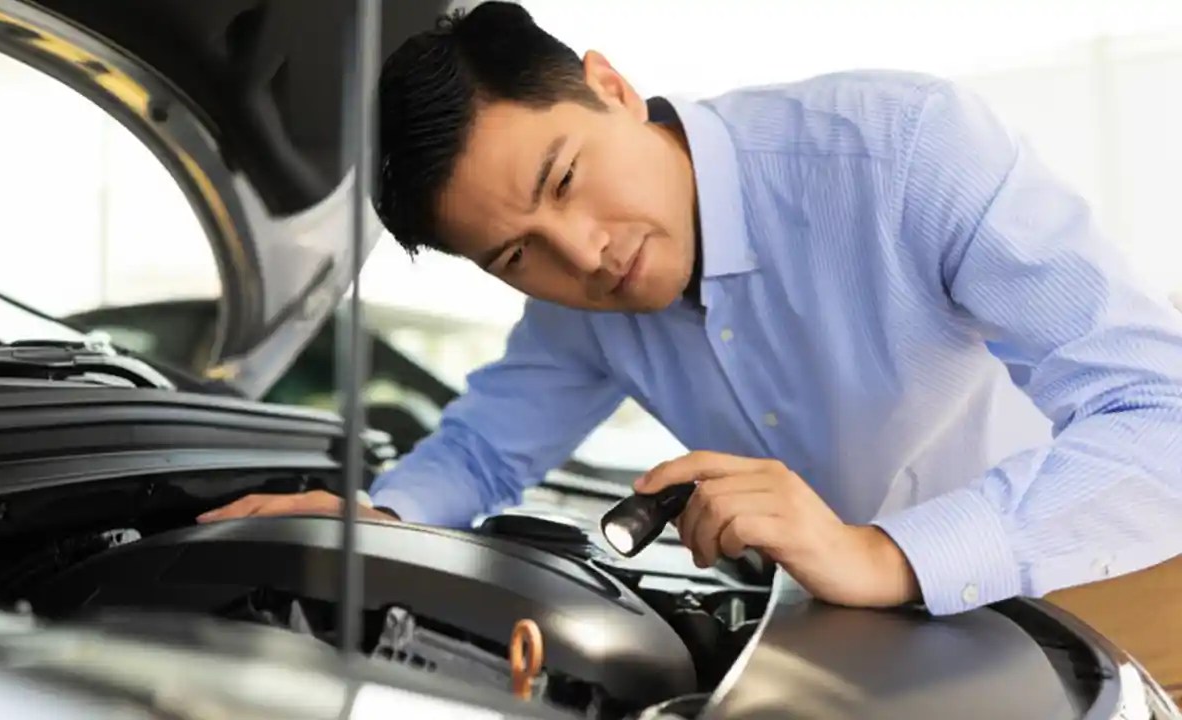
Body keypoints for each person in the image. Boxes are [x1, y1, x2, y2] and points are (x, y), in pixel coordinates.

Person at [199, 1, 1182, 622]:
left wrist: (882, 555)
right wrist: (373, 519)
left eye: (565, 176)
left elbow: (1161, 419)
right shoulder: (575, 306)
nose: (583, 253)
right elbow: (481, 451)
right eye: (515, 253)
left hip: (1107, 579)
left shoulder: (905, 151)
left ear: (611, 88)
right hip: (860, 635)